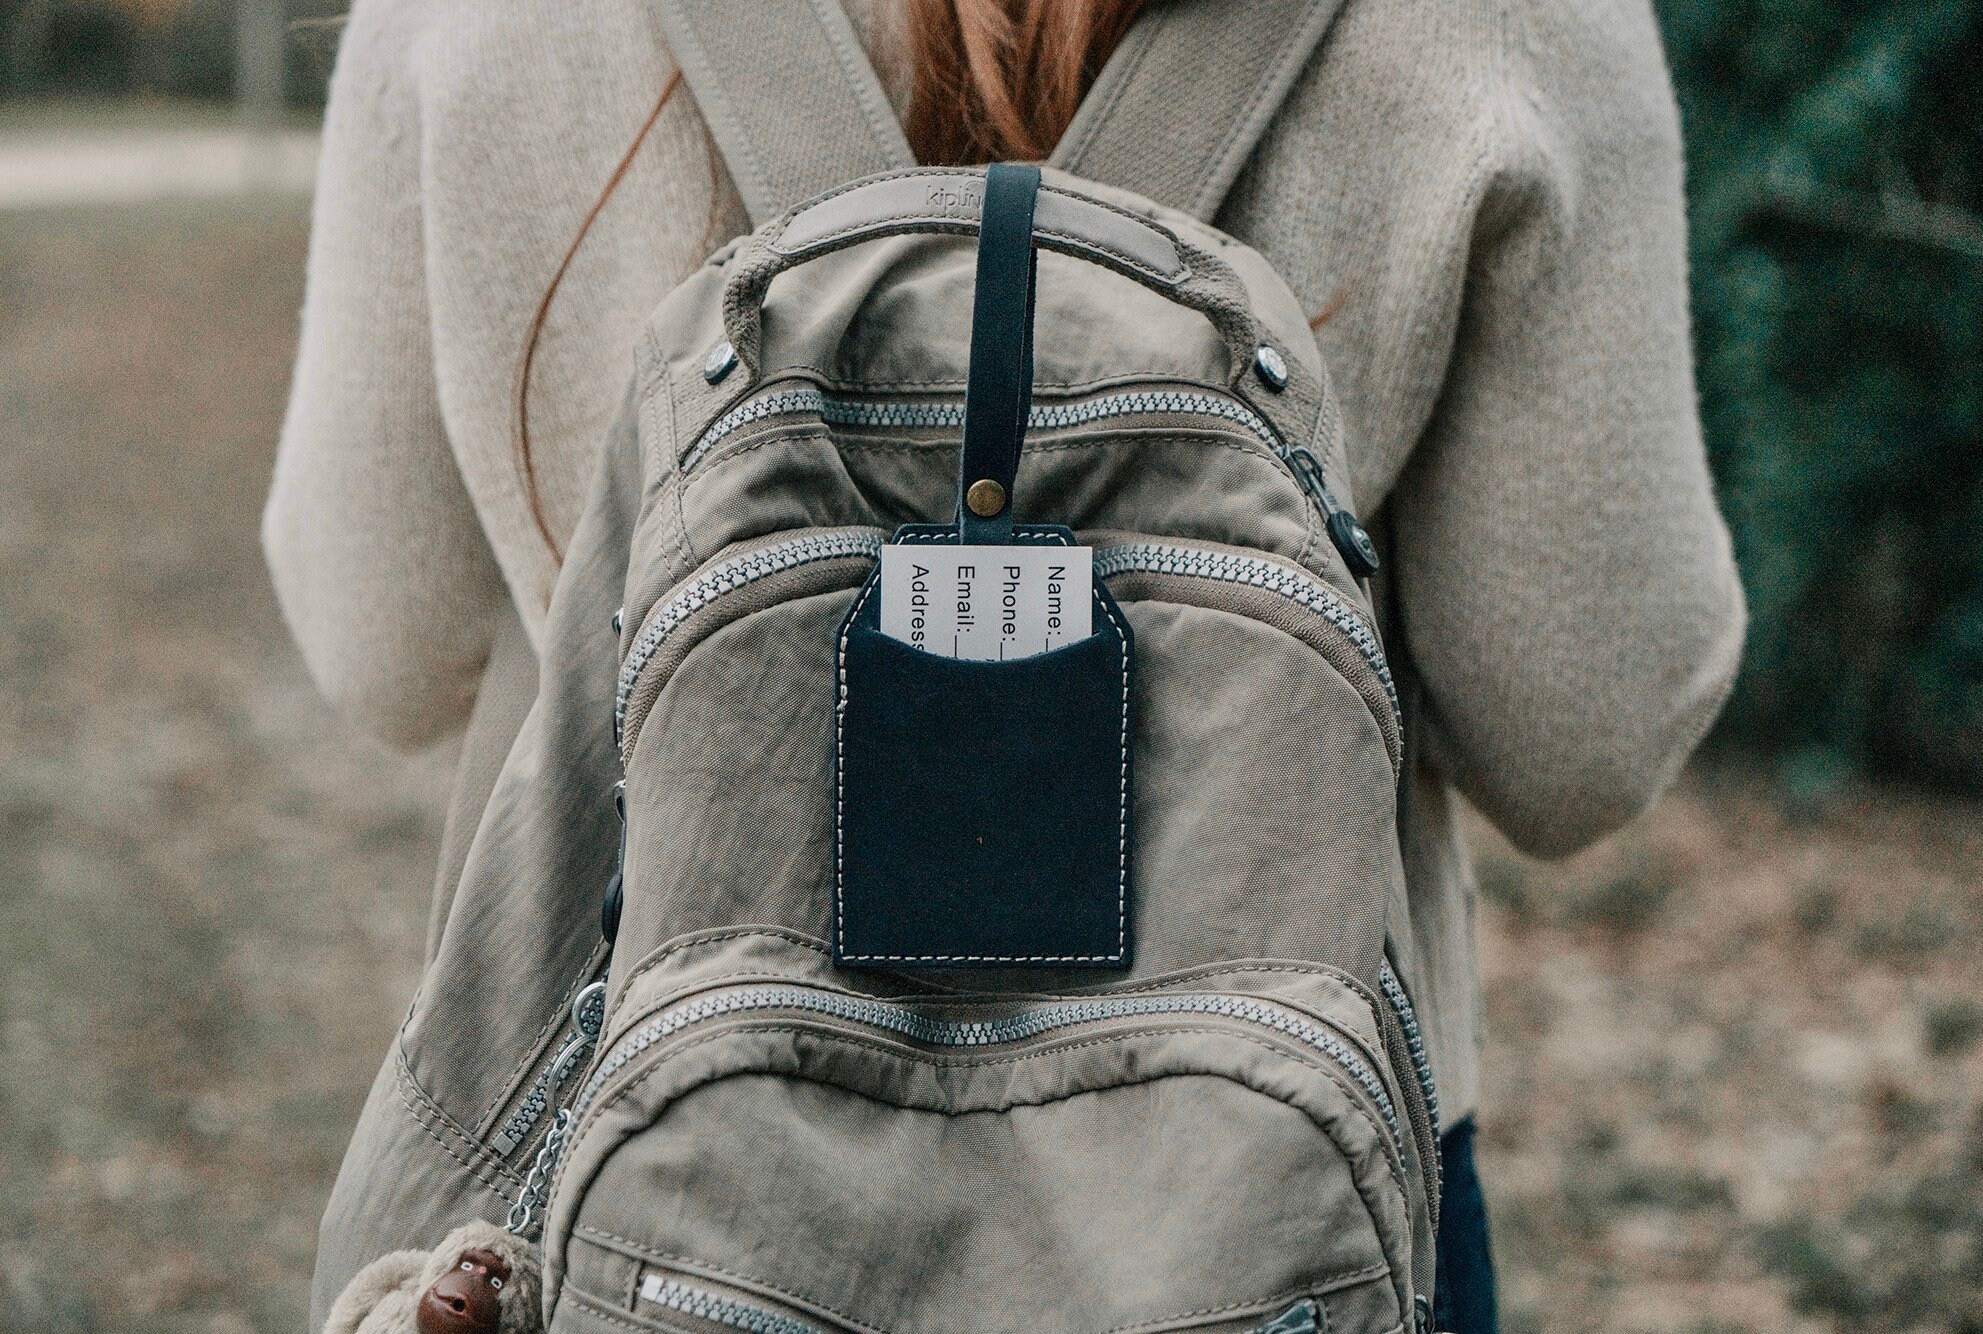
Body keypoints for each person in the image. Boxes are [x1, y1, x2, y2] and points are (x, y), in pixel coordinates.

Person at [265, 2, 1747, 1328]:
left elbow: (381, 641)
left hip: (661, 1206)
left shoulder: (468, 27)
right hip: (1262, 1212)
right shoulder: (1515, 27)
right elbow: (1587, 734)